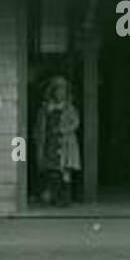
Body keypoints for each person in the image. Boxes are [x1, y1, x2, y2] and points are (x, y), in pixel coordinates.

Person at [35, 76, 81, 207]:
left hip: (65, 143)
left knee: (65, 170)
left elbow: (76, 122)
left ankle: (65, 198)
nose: (60, 93)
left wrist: (63, 129)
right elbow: (39, 125)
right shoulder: (45, 108)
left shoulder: (69, 107)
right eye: (57, 90)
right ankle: (53, 196)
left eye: (63, 91)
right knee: (51, 169)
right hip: (50, 142)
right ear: (52, 91)